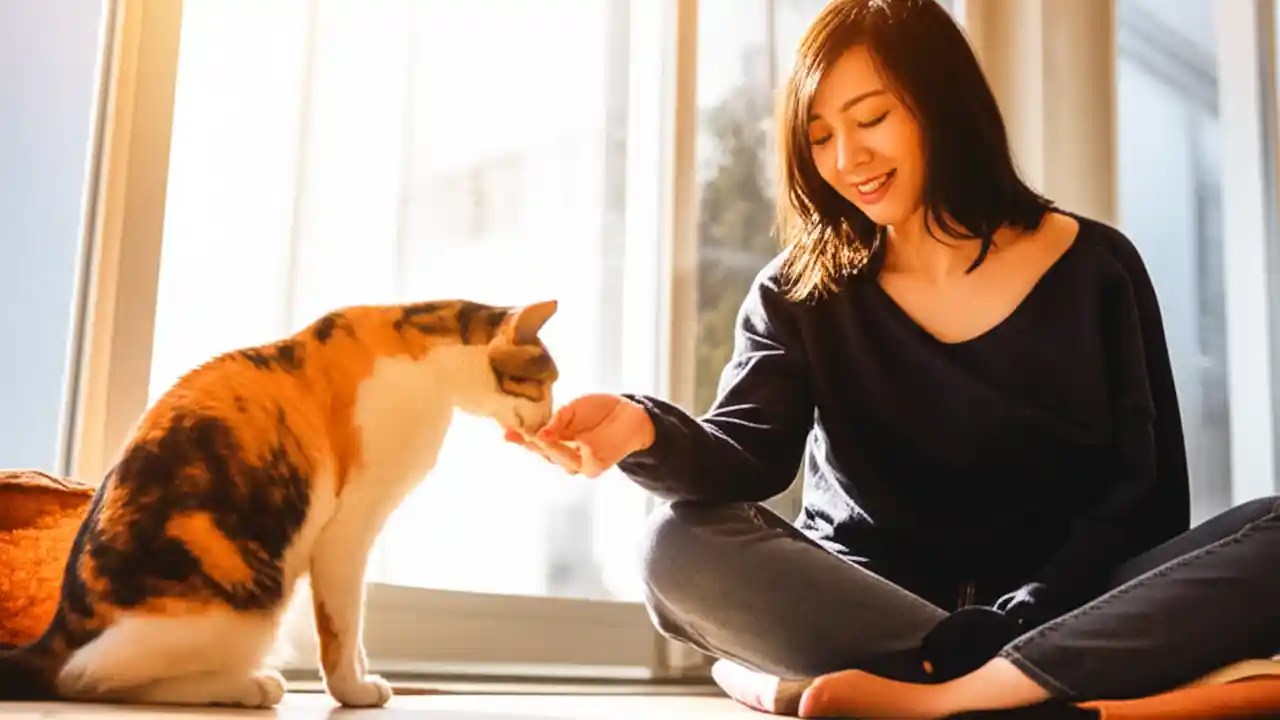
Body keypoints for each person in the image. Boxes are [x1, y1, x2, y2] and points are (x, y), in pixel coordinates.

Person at [506, 0, 1280, 716]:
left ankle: (933, 699)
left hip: (1066, 606)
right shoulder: (798, 291)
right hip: (867, 610)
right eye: (819, 137)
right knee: (675, 549)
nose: (846, 158)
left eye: (870, 118)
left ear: (942, 106)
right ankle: (1016, 695)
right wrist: (639, 428)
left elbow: (1143, 502)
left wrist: (1027, 614)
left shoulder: (1097, 267)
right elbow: (747, 459)